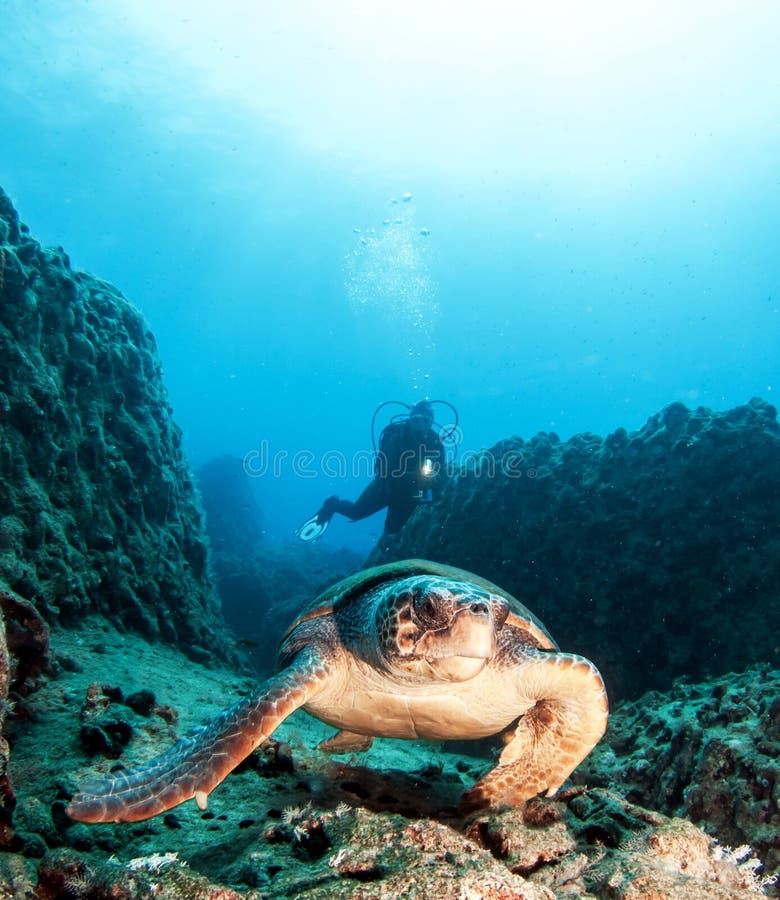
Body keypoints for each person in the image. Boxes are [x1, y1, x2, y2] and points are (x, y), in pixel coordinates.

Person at [297, 400, 448, 542]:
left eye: (425, 420)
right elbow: (385, 468)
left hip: (412, 494)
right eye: (417, 419)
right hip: (386, 487)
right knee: (355, 512)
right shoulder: (397, 435)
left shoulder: (435, 443)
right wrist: (413, 477)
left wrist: (431, 483)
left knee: (393, 531)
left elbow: (439, 473)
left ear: (431, 422)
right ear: (410, 419)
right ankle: (332, 504)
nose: (420, 425)